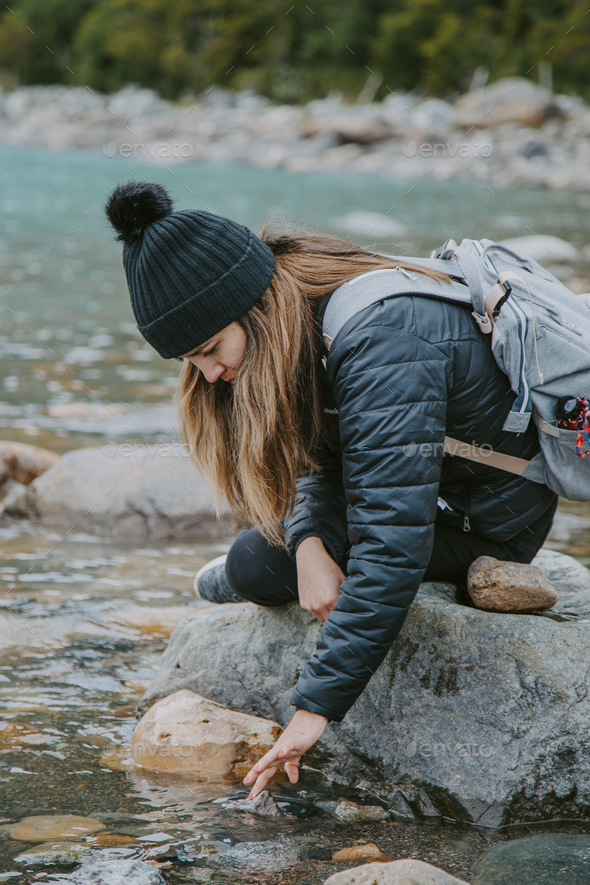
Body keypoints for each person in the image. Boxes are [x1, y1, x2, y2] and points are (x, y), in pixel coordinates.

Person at [105, 180, 558, 800]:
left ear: (249, 307)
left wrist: (311, 711)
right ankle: (257, 567)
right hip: (432, 490)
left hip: (491, 518)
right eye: (191, 361)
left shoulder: (384, 339)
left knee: (258, 562)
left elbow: (391, 547)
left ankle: (246, 573)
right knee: (272, 555)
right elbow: (330, 459)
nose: (210, 375)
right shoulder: (302, 308)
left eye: (210, 349)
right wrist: (313, 542)